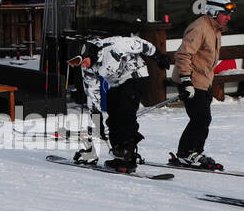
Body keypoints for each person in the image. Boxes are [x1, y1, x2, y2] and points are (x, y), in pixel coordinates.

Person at [70, 35, 172, 172]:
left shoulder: (113, 46)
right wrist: (96, 117)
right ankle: (119, 153)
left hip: (135, 75)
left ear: (87, 52)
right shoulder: (88, 69)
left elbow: (140, 44)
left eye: (81, 61)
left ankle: (128, 155)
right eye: (77, 63)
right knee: (112, 118)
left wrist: (158, 56)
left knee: (125, 113)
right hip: (116, 83)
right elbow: (92, 93)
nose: (82, 65)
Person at [171, 0, 233, 169]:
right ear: (213, 12)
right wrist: (186, 80)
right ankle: (187, 153)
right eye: (224, 14)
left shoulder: (215, 29)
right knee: (201, 118)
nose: (228, 17)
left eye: (229, 14)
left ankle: (194, 151)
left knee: (202, 119)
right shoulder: (199, 28)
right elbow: (183, 54)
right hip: (191, 79)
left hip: (204, 81)